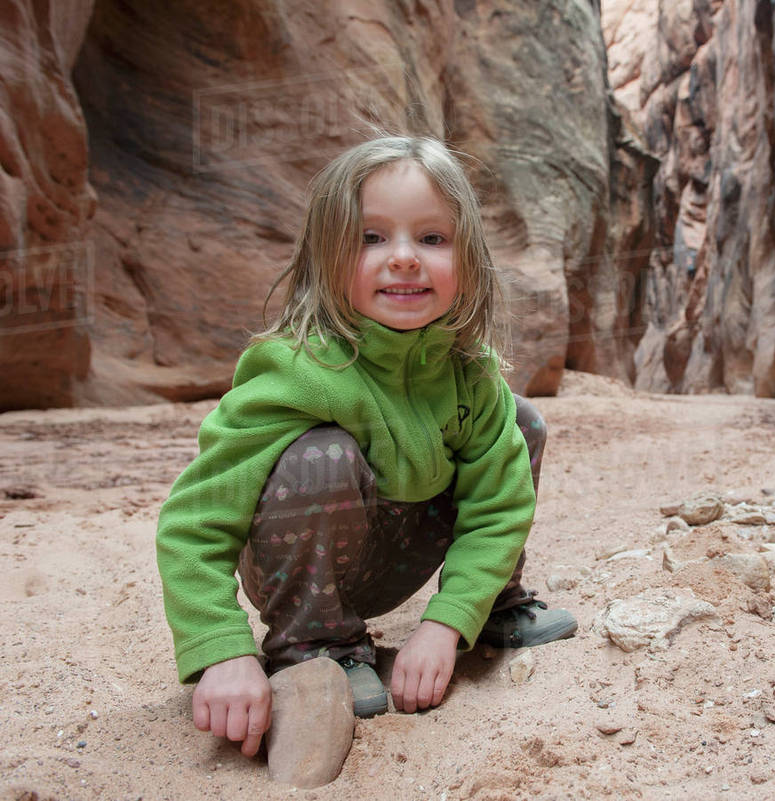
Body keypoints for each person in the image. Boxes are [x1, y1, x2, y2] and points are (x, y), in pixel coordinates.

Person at [155, 135, 577, 758]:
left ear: (469, 258)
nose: (403, 258)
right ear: (326, 256)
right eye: (370, 238)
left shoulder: (470, 372)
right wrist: (219, 649)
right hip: (306, 564)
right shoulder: (294, 370)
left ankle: (491, 604)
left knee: (520, 422)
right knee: (321, 455)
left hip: (402, 547)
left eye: (431, 239)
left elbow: (498, 505)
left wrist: (444, 625)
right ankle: (314, 645)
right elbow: (195, 519)